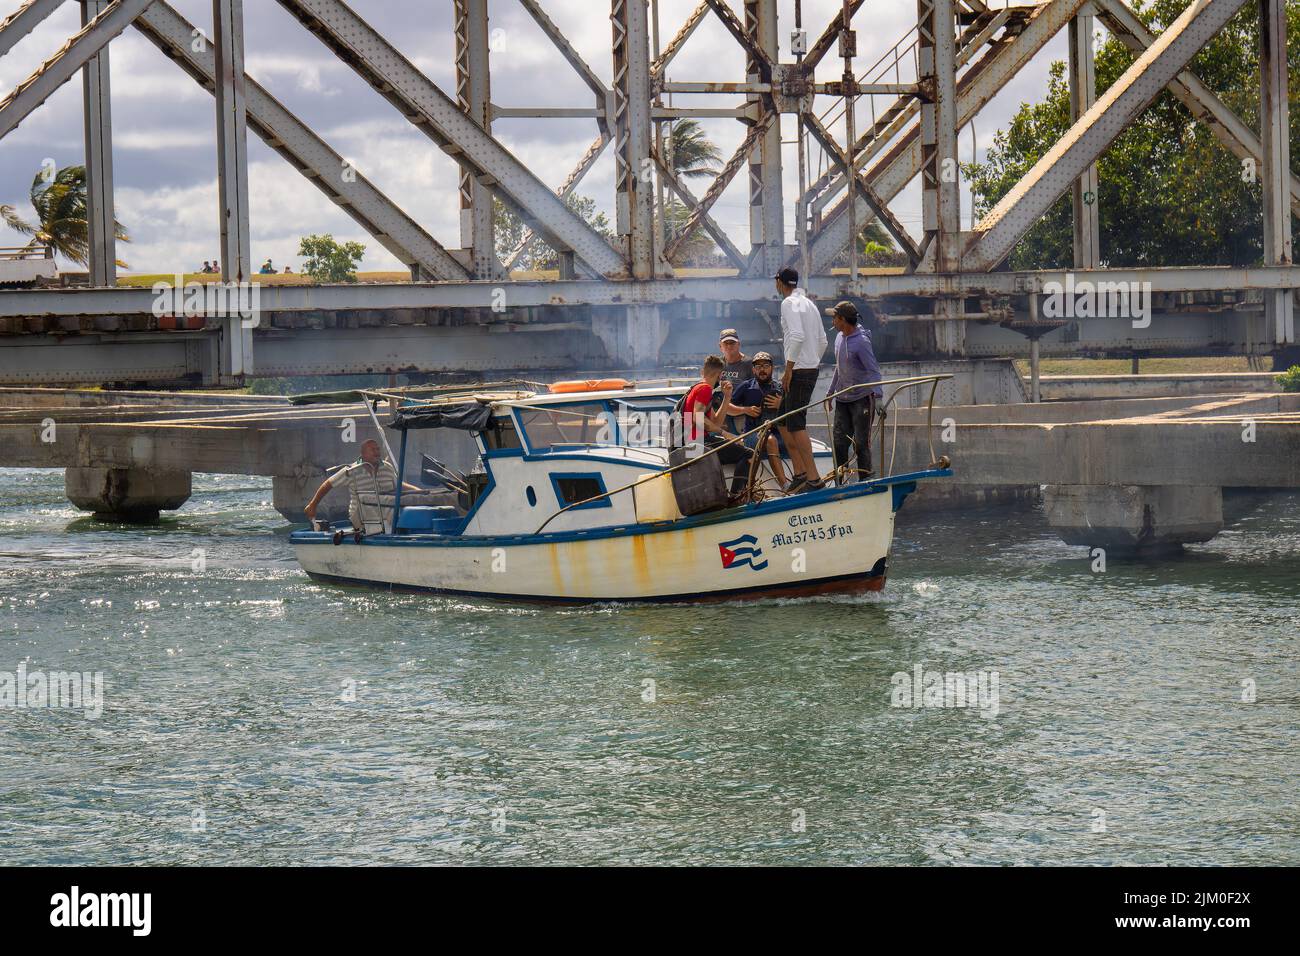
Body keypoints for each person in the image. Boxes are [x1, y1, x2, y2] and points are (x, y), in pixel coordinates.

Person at [773, 266, 827, 493]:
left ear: (779, 282)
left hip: (798, 370)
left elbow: (796, 335)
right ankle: (800, 473)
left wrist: (789, 369)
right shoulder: (809, 303)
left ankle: (813, 478)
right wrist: (813, 360)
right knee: (783, 420)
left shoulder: (788, 303)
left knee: (795, 423)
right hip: (809, 367)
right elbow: (823, 340)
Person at [303, 438, 420, 535]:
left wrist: (419, 492)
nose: (377, 452)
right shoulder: (351, 471)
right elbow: (328, 484)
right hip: (361, 517)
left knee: (406, 511)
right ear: (363, 454)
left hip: (386, 514)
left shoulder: (387, 467)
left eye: (378, 449)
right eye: (372, 449)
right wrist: (313, 505)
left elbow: (398, 484)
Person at [826, 301, 883, 484]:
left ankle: (865, 477)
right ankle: (840, 481)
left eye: (834, 318)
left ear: (842, 319)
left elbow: (873, 370)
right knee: (840, 443)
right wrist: (831, 390)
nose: (833, 321)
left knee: (860, 442)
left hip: (861, 399)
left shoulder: (862, 342)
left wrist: (879, 396)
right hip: (843, 398)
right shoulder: (839, 337)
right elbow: (839, 366)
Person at [681, 355, 754, 496]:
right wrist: (725, 433)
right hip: (699, 443)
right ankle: (738, 495)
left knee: (738, 449)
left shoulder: (699, 389)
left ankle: (736, 493)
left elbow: (715, 422)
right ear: (720, 375)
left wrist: (727, 397)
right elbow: (698, 417)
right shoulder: (704, 389)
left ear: (703, 371)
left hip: (696, 442)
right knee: (749, 454)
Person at [732, 351, 788, 487]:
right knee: (770, 441)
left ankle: (804, 479)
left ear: (772, 368)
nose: (762, 369)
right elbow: (727, 406)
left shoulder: (780, 388)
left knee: (793, 439)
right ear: (753, 370)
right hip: (752, 433)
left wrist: (782, 404)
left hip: (778, 433)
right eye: (758, 367)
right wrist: (745, 410)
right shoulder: (746, 386)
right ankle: (785, 486)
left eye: (765, 365)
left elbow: (797, 410)